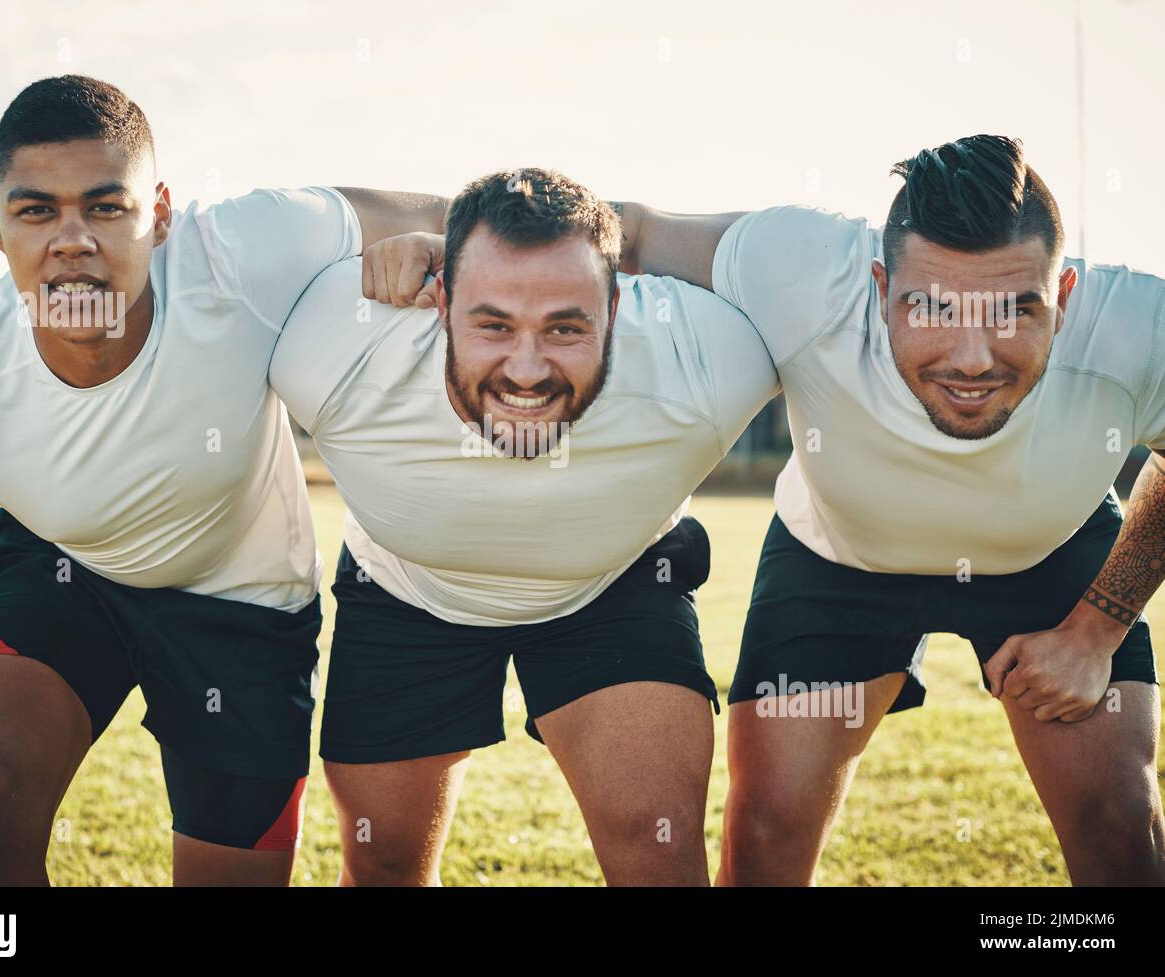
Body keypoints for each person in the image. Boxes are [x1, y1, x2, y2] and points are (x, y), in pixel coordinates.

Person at [0, 74, 447, 886]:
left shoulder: (245, 246)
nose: (72, 239)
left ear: (161, 213)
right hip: (63, 566)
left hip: (242, 603)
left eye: (106, 206)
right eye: (37, 210)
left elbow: (460, 216)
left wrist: (453, 252)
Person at [610, 134, 1165, 884]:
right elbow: (631, 230)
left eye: (1015, 309)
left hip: (1050, 548)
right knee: (769, 828)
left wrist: (1099, 627)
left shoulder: (1136, 322)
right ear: (878, 287)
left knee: (1120, 826)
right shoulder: (804, 268)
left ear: (1063, 296)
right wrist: (438, 250)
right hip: (839, 554)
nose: (973, 356)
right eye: (932, 306)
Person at [270, 168, 779, 884]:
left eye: (566, 327)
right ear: (440, 301)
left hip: (617, 585)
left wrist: (637, 227)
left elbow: (818, 268)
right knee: (383, 860)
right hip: (406, 589)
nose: (528, 368)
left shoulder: (700, 352)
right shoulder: (337, 339)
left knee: (656, 849)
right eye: (493, 323)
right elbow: (214, 271)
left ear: (616, 305)